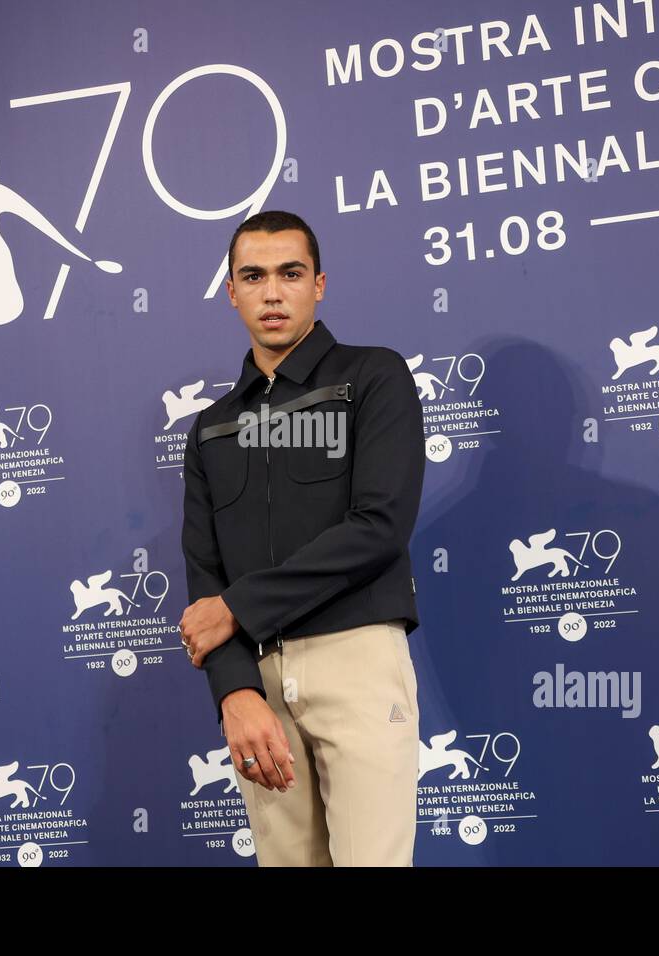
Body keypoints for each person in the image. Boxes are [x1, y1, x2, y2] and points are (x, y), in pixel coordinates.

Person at [177, 210, 426, 866]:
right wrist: (235, 692)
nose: (272, 292)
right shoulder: (211, 428)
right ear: (231, 292)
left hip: (358, 659)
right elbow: (205, 577)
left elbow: (379, 527)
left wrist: (238, 608)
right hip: (257, 680)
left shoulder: (372, 377)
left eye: (290, 274)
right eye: (253, 277)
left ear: (319, 284)